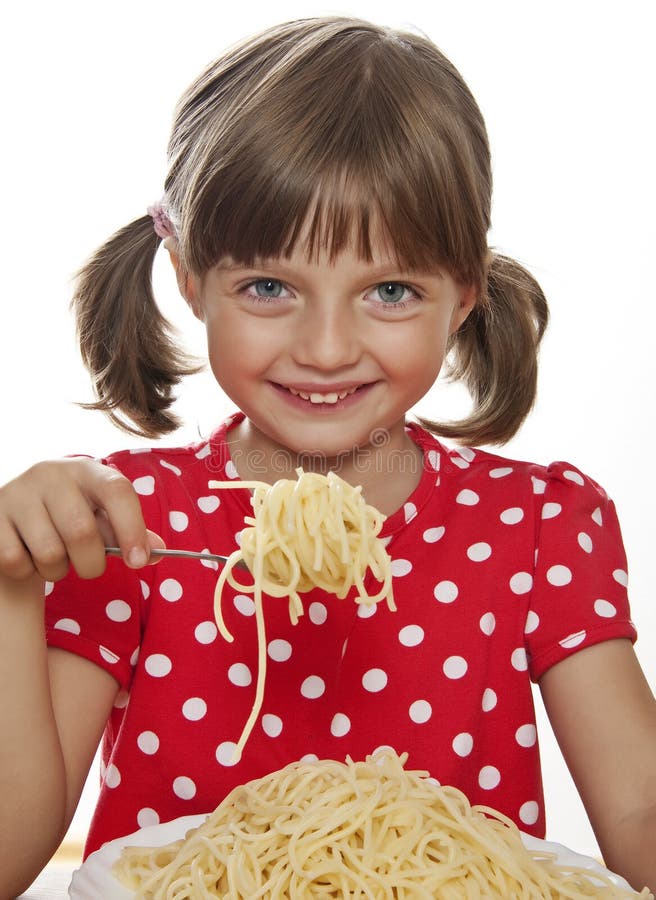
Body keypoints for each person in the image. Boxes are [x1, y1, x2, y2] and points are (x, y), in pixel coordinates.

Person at [1, 15, 654, 897]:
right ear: (190, 277)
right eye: (269, 286)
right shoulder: (124, 525)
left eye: (391, 291)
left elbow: (639, 807)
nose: (325, 348)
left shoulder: (538, 525)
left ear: (464, 296)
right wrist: (10, 579)